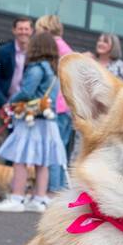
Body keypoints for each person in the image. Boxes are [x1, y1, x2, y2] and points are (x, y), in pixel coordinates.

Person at [0, 30, 65, 213]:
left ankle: (17, 197)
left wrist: (10, 103)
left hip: (32, 121)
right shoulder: (54, 70)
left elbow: (26, 92)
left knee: (20, 159)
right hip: (48, 121)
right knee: (43, 162)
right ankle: (39, 199)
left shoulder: (36, 67)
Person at [35, 14, 76, 193]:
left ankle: (51, 189)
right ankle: (58, 188)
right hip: (67, 107)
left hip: (55, 106)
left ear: (45, 28)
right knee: (60, 150)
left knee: (52, 149)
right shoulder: (68, 48)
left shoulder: (52, 47)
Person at [0, 17, 33, 120]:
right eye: (20, 29)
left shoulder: (35, 54)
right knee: (0, 136)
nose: (23, 32)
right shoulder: (0, 51)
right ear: (14, 30)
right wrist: (4, 103)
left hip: (25, 107)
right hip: (1, 105)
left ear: (31, 31)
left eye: (26, 29)